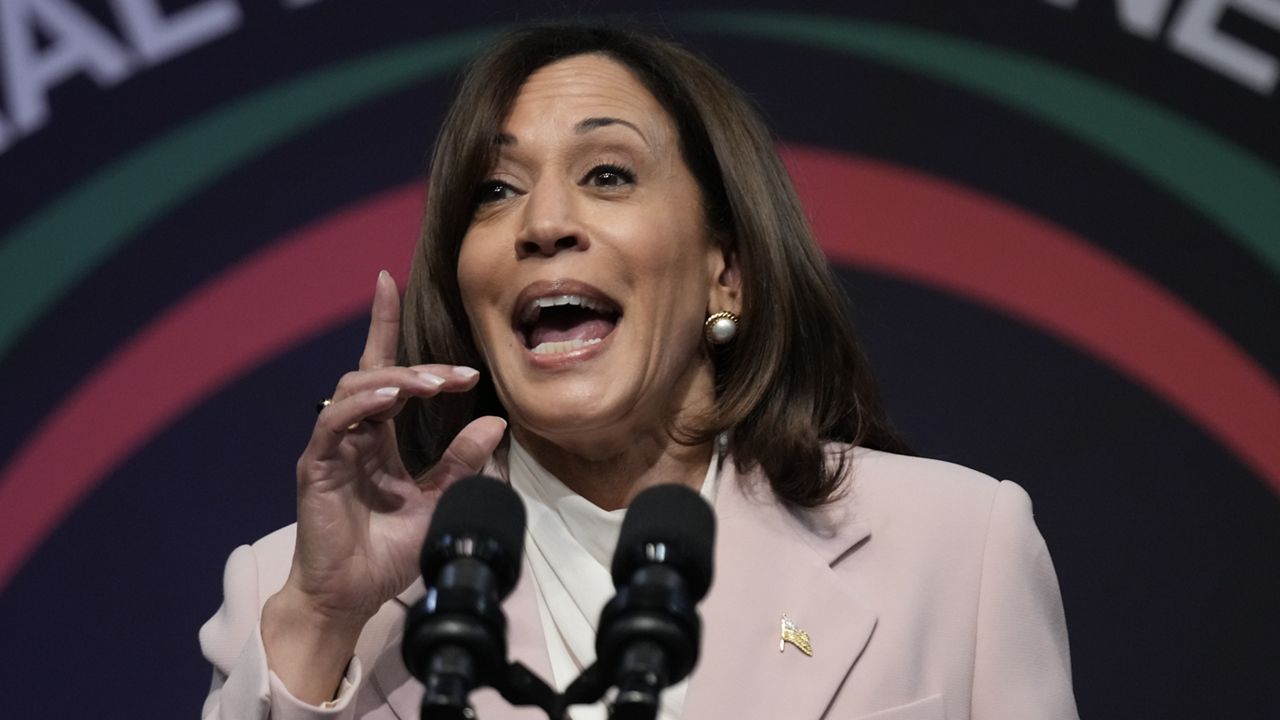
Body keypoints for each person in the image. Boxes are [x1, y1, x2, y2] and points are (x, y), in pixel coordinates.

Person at [199, 24, 1079, 720]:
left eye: (608, 174)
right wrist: (321, 620)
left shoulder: (957, 550)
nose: (543, 222)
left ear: (723, 269)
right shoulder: (296, 592)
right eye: (495, 191)